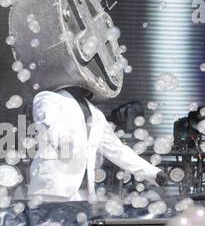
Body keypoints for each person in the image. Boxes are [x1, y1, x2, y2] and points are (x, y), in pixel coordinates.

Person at [28, 85, 164, 202]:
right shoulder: (49, 98)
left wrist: (153, 173)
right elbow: (49, 121)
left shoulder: (96, 114)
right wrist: (63, 140)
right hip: (52, 189)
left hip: (83, 195)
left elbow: (117, 150)